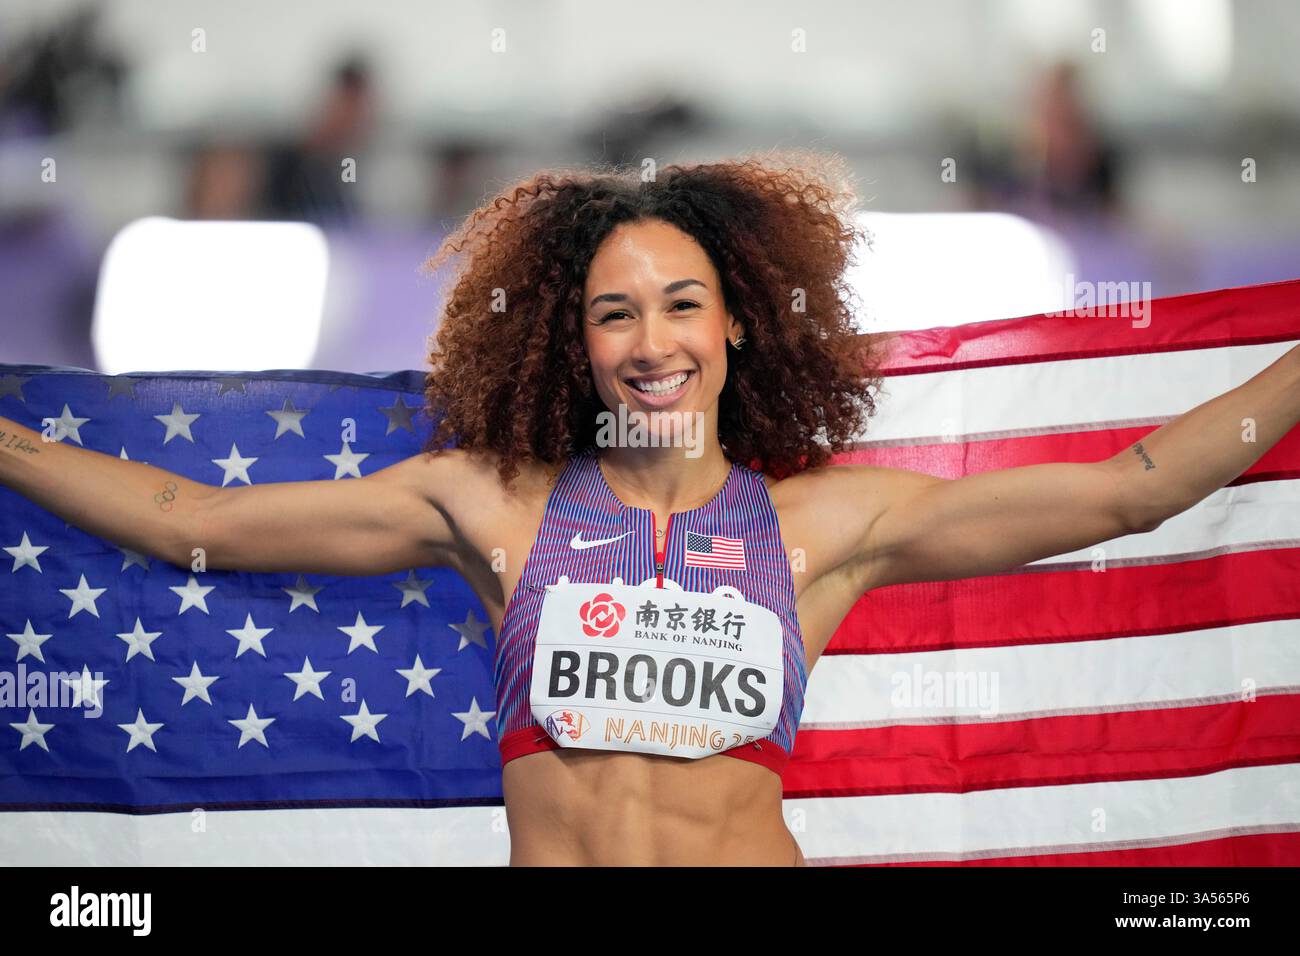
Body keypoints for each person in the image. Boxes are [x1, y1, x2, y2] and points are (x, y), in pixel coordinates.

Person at [2, 151, 1298, 866]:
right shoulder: (486, 505)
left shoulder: (825, 529)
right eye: (613, 311)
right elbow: (196, 519)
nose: (651, 339)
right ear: (572, 344)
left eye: (681, 303)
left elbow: (1141, 492)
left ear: (736, 323)